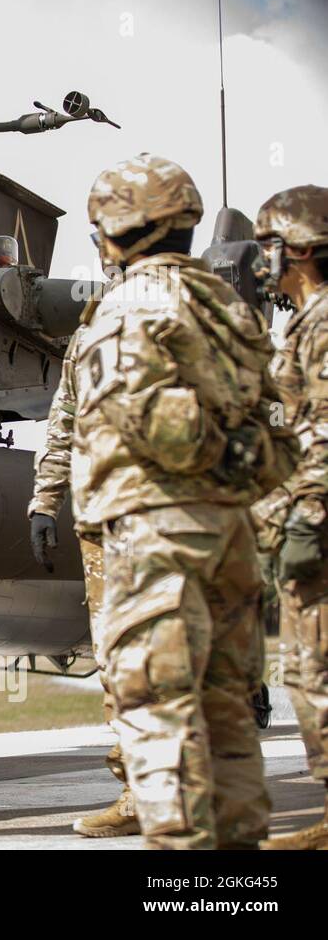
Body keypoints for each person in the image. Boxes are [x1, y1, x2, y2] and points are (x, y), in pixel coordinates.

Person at [70, 154, 295, 849]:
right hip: (230, 538)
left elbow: (156, 422)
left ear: (114, 230)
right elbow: (274, 422)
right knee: (226, 720)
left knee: (159, 722)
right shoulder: (226, 302)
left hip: (156, 537)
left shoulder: (130, 304)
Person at [29, 319, 138, 838]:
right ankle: (143, 796)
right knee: (120, 661)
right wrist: (44, 501)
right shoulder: (95, 325)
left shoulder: (198, 311)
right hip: (109, 525)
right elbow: (66, 414)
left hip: (173, 519)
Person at [250, 184, 328, 850]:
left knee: (314, 674)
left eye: (270, 246)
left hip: (318, 527)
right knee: (309, 673)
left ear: (300, 248)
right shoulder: (302, 322)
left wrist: (307, 513)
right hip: (305, 518)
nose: (263, 260)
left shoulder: (325, 322)